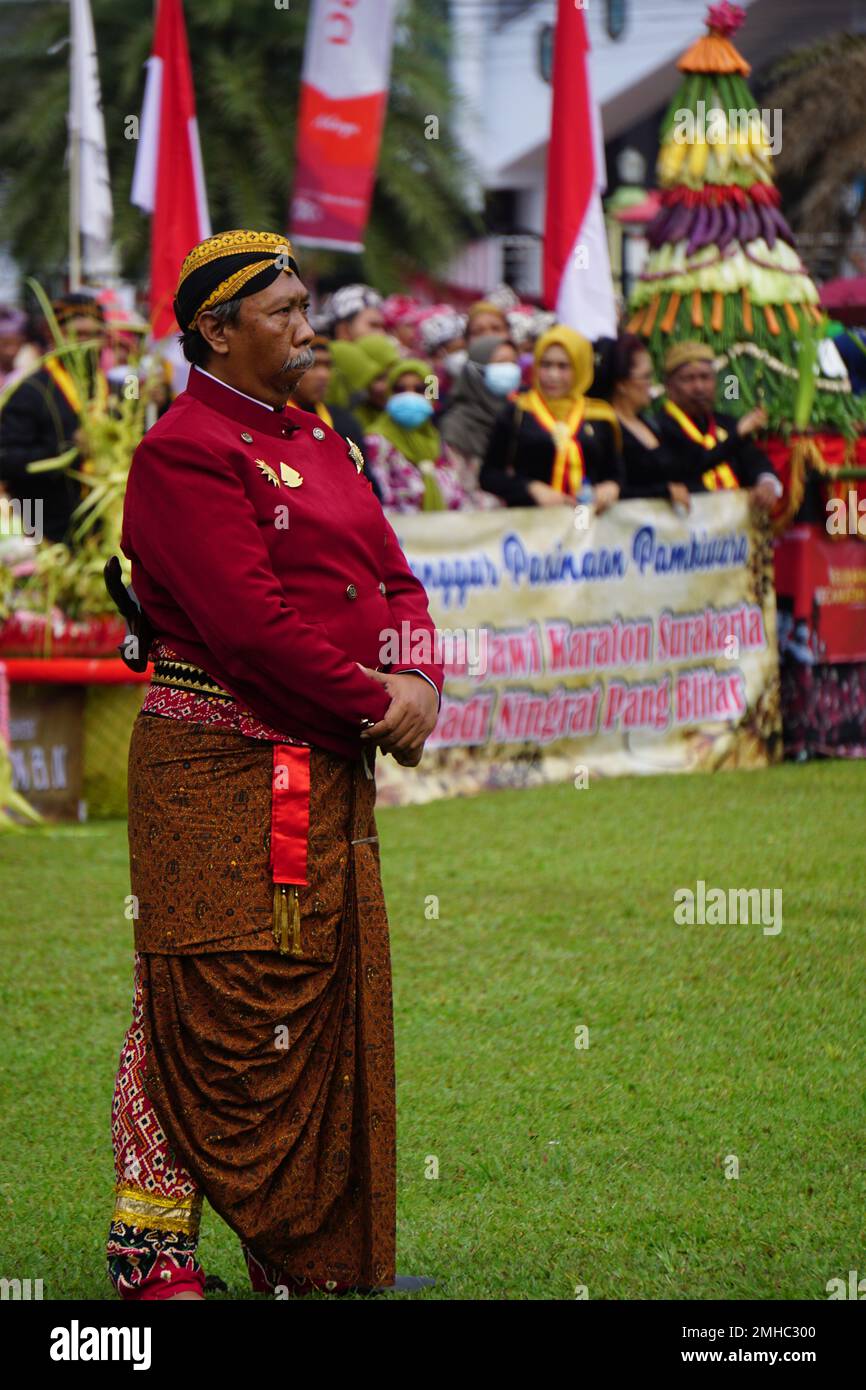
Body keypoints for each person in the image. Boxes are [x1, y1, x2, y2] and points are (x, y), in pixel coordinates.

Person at [107, 229, 443, 1301]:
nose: (310, 327)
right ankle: (151, 1252)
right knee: (208, 993)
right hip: (214, 768)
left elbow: (395, 580)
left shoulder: (323, 441)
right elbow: (246, 628)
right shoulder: (183, 451)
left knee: (320, 999)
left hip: (327, 764)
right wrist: (372, 701)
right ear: (215, 330)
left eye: (307, 304)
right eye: (285, 310)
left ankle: (298, 1250)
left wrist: (419, 679)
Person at [480, 324, 623, 510]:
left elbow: (616, 473)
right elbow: (488, 475)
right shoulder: (518, 411)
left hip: (584, 523)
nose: (552, 375)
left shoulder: (601, 416)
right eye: (545, 365)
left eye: (563, 366)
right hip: (531, 527)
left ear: (580, 367)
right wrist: (531, 488)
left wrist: (611, 487)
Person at [0, 292, 106, 541]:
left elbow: (139, 423)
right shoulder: (30, 390)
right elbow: (6, 460)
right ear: (54, 336)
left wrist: (160, 398)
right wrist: (68, 450)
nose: (86, 343)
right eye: (77, 334)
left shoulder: (118, 387)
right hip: (44, 531)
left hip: (104, 528)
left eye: (94, 335)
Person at [655, 341, 782, 509]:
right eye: (688, 379)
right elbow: (691, 466)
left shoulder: (727, 423)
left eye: (705, 377)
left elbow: (757, 463)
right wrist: (736, 435)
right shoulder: (659, 428)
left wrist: (766, 483)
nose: (699, 387)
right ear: (669, 387)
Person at [593, 334, 695, 512]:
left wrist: (738, 435)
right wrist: (663, 492)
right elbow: (614, 488)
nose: (651, 384)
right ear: (622, 384)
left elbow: (690, 465)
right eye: (646, 377)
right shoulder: (604, 427)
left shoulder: (650, 423)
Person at [364, 357, 466, 511]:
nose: (409, 396)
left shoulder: (437, 443)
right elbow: (378, 501)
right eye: (400, 389)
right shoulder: (376, 443)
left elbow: (457, 496)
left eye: (419, 389)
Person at [290, 334, 383, 502]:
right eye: (312, 365)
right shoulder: (275, 419)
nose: (323, 375)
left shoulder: (345, 423)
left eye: (327, 365)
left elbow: (367, 485)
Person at [438, 335, 521, 503]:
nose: (509, 369)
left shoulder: (520, 415)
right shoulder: (456, 425)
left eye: (513, 362)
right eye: (501, 362)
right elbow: (455, 490)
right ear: (476, 371)